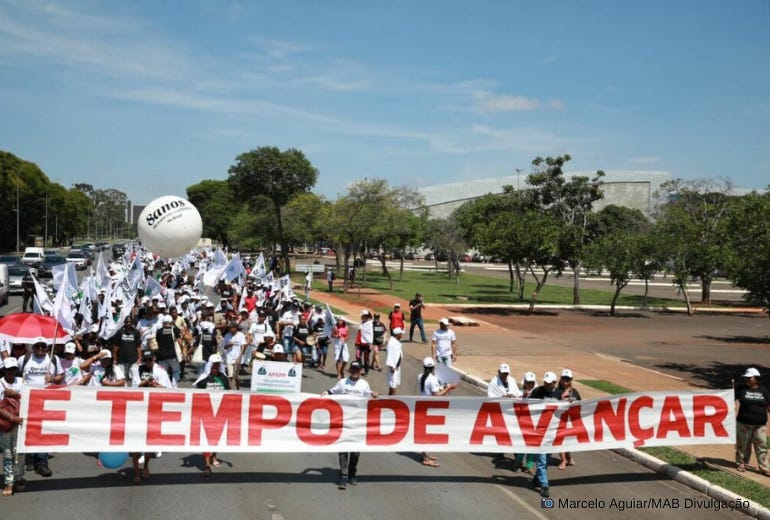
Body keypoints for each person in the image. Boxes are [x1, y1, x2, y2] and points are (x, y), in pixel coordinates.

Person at [322, 361, 378, 489]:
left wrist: (373, 394)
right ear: (349, 370)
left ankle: (352, 473)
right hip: (343, 422)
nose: (355, 371)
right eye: (353, 369)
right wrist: (324, 394)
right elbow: (331, 391)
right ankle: (343, 476)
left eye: (357, 369)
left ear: (360, 371)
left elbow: (369, 395)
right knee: (343, 450)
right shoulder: (342, 382)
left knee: (355, 452)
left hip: (358, 423)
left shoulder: (364, 384)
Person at [130, 351, 172, 484]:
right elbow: (134, 386)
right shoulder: (138, 369)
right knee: (136, 443)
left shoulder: (160, 371)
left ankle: (146, 465)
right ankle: (136, 472)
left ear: (154, 359)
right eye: (145, 360)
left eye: (150, 360)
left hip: (154, 408)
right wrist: (144, 383)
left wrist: (156, 385)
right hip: (139, 409)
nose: (147, 363)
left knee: (149, 440)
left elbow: (168, 389)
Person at [417, 357, 457, 467]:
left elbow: (433, 389)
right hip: (430, 408)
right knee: (428, 432)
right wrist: (448, 388)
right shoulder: (432, 379)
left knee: (426, 431)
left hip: (422, 406)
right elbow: (437, 395)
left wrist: (443, 387)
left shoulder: (420, 376)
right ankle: (426, 458)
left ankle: (426, 453)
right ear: (433, 367)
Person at [195, 354, 230, 476]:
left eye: (218, 365)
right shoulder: (203, 380)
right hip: (207, 415)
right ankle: (207, 464)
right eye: (214, 365)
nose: (216, 367)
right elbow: (197, 397)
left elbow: (229, 395)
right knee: (206, 440)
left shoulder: (224, 379)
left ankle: (214, 457)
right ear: (209, 366)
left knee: (217, 439)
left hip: (220, 414)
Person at [528, 371, 561, 498]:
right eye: (545, 382)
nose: (546, 385)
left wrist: (569, 401)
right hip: (539, 431)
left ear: (554, 383)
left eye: (549, 383)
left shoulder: (558, 394)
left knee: (546, 459)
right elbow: (527, 405)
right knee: (541, 460)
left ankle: (537, 479)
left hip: (552, 432)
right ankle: (544, 486)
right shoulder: (537, 391)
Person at [735, 367, 770, 475]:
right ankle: (741, 463)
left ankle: (764, 467)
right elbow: (729, 400)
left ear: (757, 379)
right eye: (746, 378)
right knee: (743, 444)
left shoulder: (764, 390)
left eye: (749, 378)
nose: (747, 379)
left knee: (762, 445)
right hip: (744, 423)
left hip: (760, 424)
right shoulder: (741, 389)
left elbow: (768, 405)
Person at [0, 357, 24, 495]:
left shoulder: (21, 382)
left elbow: (29, 399)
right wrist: (11, 418)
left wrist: (17, 394)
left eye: (13, 369)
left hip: (19, 423)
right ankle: (9, 482)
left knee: (19, 452)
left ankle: (19, 477)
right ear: (3, 369)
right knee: (8, 454)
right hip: (5, 423)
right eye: (8, 370)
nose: (10, 372)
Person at [558, 369, 581, 470]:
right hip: (558, 420)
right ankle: (563, 460)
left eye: (568, 379)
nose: (565, 381)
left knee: (567, 441)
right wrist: (562, 397)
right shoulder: (557, 391)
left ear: (571, 380)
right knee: (559, 440)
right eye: (564, 378)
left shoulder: (575, 392)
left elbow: (581, 405)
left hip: (570, 421)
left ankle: (568, 456)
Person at [221, 321, 246, 390]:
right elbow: (224, 347)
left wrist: (240, 356)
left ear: (235, 328)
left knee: (235, 376)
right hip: (229, 357)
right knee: (230, 376)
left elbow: (243, 346)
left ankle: (238, 388)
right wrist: (227, 345)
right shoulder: (227, 335)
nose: (229, 329)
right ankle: (231, 390)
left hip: (237, 358)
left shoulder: (241, 335)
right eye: (229, 328)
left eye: (231, 328)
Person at [385, 327, 404, 395]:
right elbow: (390, 354)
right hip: (393, 367)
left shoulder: (395, 341)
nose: (402, 335)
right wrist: (391, 366)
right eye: (401, 334)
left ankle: (388, 399)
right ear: (397, 334)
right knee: (393, 385)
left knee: (392, 384)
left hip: (396, 367)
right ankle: (396, 400)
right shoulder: (391, 343)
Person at [355, 310, 374, 375]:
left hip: (367, 344)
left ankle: (366, 371)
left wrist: (371, 343)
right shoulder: (362, 323)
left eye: (362, 316)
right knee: (357, 356)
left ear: (366, 316)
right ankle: (360, 369)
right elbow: (359, 333)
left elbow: (371, 334)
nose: (361, 317)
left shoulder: (370, 324)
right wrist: (356, 342)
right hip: (359, 343)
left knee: (366, 358)